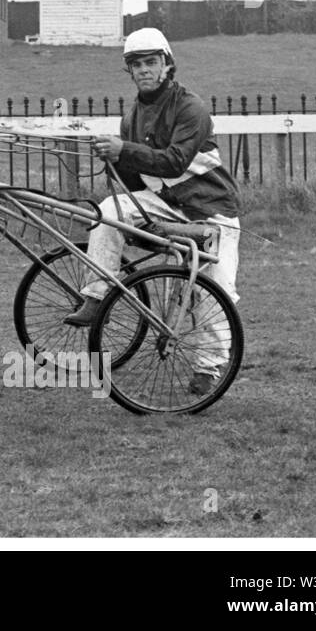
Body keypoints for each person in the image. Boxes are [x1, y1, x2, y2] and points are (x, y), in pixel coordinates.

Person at [62, 27, 241, 396]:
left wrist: (123, 150)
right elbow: (135, 179)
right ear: (130, 71)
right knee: (108, 210)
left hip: (211, 211)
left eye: (151, 62)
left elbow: (174, 163)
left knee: (213, 289)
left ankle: (208, 368)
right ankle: (97, 296)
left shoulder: (191, 107)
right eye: (137, 64)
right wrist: (114, 160)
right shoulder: (132, 117)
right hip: (165, 206)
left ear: (167, 65)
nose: (144, 70)